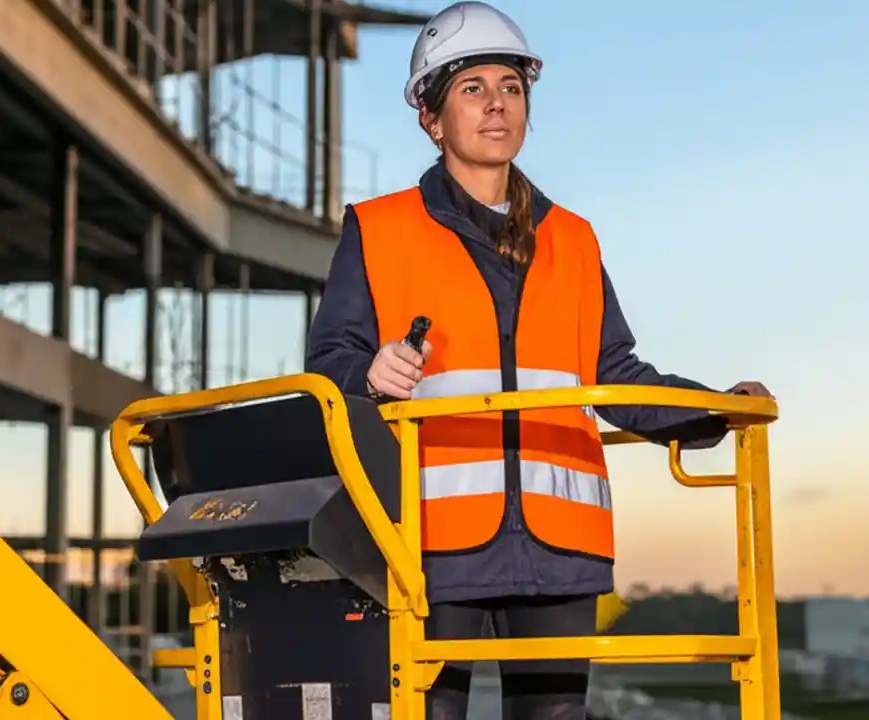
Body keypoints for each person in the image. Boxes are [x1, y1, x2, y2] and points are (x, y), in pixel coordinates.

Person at [304, 3, 772, 719]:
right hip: (427, 545)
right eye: (471, 88)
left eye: (511, 87)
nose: (496, 104)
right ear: (431, 118)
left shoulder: (573, 239)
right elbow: (328, 360)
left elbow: (616, 376)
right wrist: (366, 373)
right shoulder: (377, 229)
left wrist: (713, 409)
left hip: (559, 552)